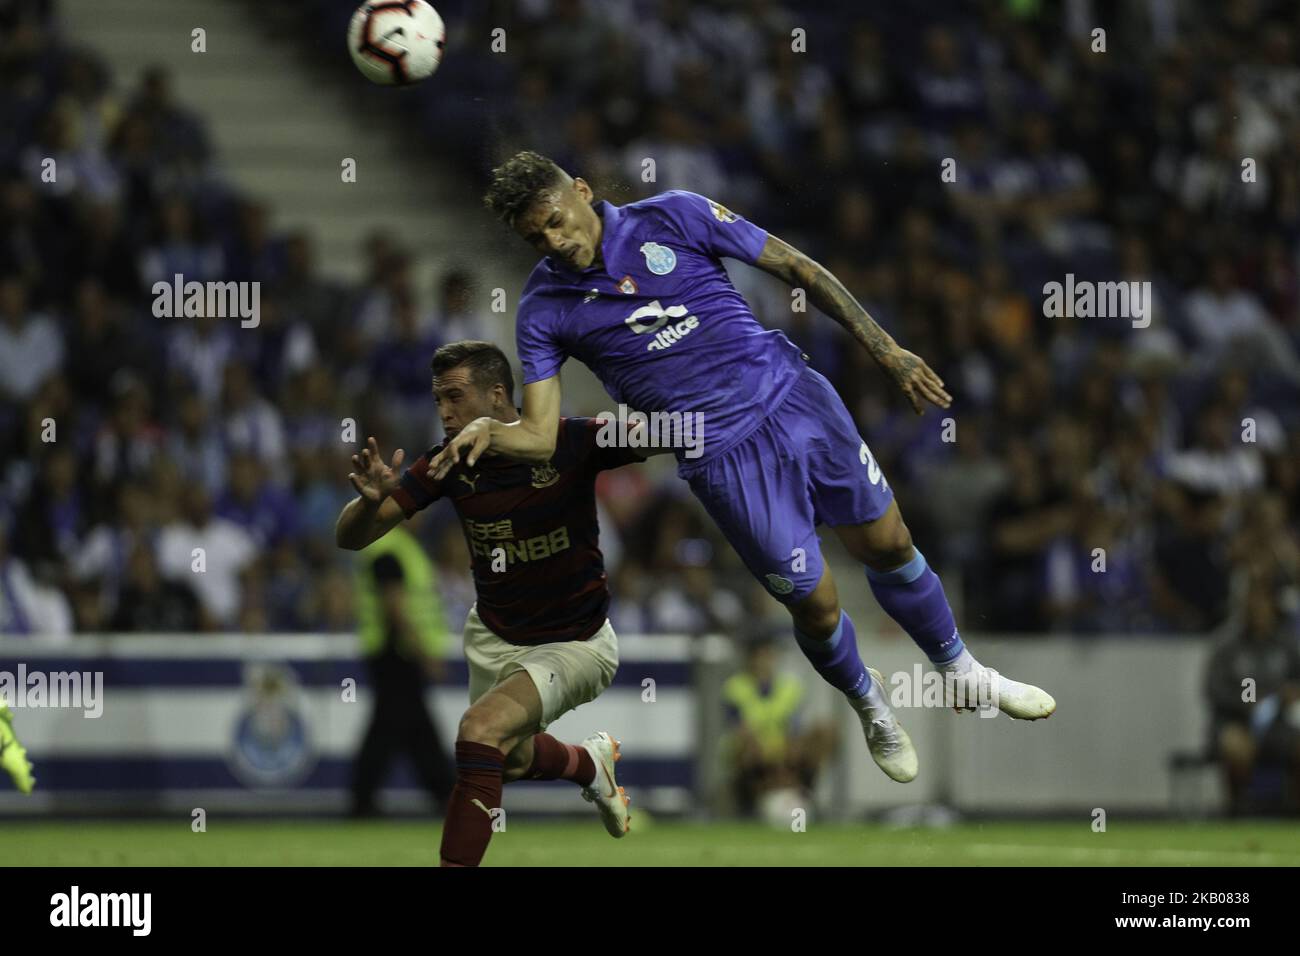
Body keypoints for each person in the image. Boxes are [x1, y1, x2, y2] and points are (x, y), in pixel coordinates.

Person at [432, 151, 1056, 788]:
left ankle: (962, 673)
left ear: (583, 192)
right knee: (817, 607)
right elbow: (539, 436)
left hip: (795, 398)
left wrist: (886, 349)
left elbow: (796, 266)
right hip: (719, 454)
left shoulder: (675, 214)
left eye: (557, 221)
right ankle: (870, 704)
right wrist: (490, 430)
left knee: (890, 543)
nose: (554, 241)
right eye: (535, 237)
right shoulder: (543, 307)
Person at [336, 340, 667, 866]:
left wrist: (686, 391)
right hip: (493, 636)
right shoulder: (446, 463)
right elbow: (351, 538)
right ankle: (588, 766)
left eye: (455, 397)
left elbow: (672, 433)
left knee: (478, 732)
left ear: (496, 395)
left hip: (574, 642)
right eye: (438, 399)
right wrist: (368, 504)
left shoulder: (573, 440)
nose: (444, 411)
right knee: (504, 759)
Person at [349, 523, 456, 818]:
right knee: (402, 725)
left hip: (394, 650)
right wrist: (423, 653)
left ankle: (365, 800)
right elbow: (393, 604)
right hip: (395, 650)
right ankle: (444, 794)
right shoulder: (391, 549)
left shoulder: (400, 546)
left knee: (402, 726)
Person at [1206, 574, 1300, 815]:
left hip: (1280, 723)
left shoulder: (1286, 644)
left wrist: (1289, 694)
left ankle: (1292, 810)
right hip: (1236, 721)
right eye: (1252, 602)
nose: (1258, 609)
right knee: (1236, 747)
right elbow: (1214, 688)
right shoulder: (1227, 643)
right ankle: (1238, 810)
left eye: (1263, 602)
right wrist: (1249, 703)